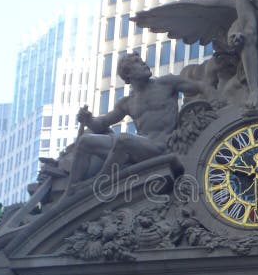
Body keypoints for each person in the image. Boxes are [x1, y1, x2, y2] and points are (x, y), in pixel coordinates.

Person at [64, 53, 206, 193]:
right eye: (137, 62)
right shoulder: (127, 102)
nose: (144, 63)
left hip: (162, 147)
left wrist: (217, 102)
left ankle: (99, 184)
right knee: (85, 141)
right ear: (128, 76)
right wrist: (88, 119)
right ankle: (71, 192)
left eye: (142, 60)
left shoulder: (166, 83)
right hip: (138, 150)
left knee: (123, 139)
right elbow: (101, 124)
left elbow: (201, 87)